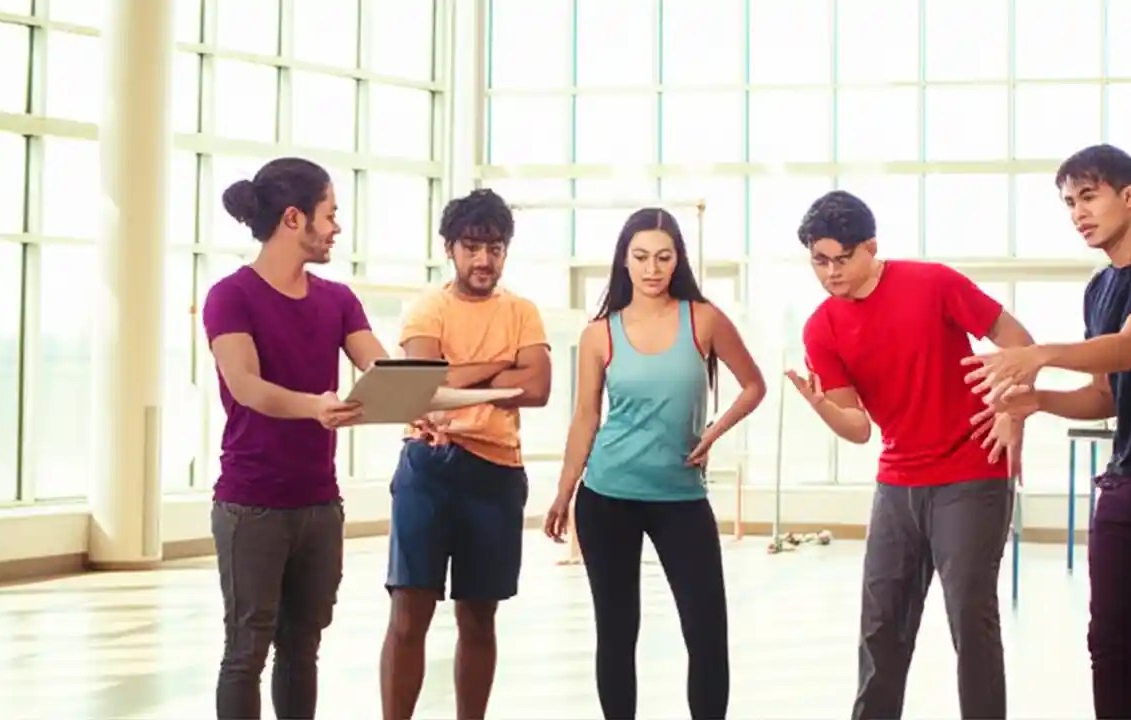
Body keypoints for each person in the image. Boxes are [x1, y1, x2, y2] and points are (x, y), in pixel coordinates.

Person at [961, 143, 1131, 720]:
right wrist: (1038, 401)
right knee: (1107, 641)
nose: (1078, 213)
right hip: (1126, 475)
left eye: (1089, 197)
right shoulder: (1098, 288)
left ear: (1129, 196)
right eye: (1069, 203)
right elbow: (1105, 394)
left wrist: (1040, 354)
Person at [789, 190, 1037, 720]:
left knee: (970, 616)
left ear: (871, 247)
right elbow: (858, 428)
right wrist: (820, 406)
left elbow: (1018, 341)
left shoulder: (934, 283)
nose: (831, 273)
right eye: (819, 261)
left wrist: (1010, 412)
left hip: (971, 470)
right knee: (881, 626)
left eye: (842, 258)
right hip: (898, 482)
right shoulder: (821, 327)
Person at [543, 208, 766, 720]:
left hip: (681, 499)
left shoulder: (703, 319)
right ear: (624, 260)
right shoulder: (599, 333)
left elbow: (754, 385)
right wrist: (563, 492)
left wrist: (713, 433)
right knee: (617, 633)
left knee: (707, 632)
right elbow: (585, 417)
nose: (652, 268)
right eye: (641, 256)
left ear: (678, 260)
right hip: (607, 496)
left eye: (663, 257)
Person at [202, 157, 389, 719]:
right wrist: (316, 406)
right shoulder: (230, 296)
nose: (336, 227)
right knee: (246, 651)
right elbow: (246, 386)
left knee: (303, 650)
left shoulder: (338, 299)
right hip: (251, 505)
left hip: (319, 504)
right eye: (329, 214)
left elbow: (381, 368)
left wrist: (421, 406)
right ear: (293, 218)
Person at [379, 188, 552, 720]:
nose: (483, 260)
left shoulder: (522, 311)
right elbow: (424, 387)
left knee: (479, 617)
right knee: (410, 613)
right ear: (450, 248)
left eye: (494, 249)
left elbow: (538, 387)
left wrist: (459, 376)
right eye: (472, 247)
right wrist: (501, 367)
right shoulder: (428, 307)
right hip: (430, 466)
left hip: (496, 471)